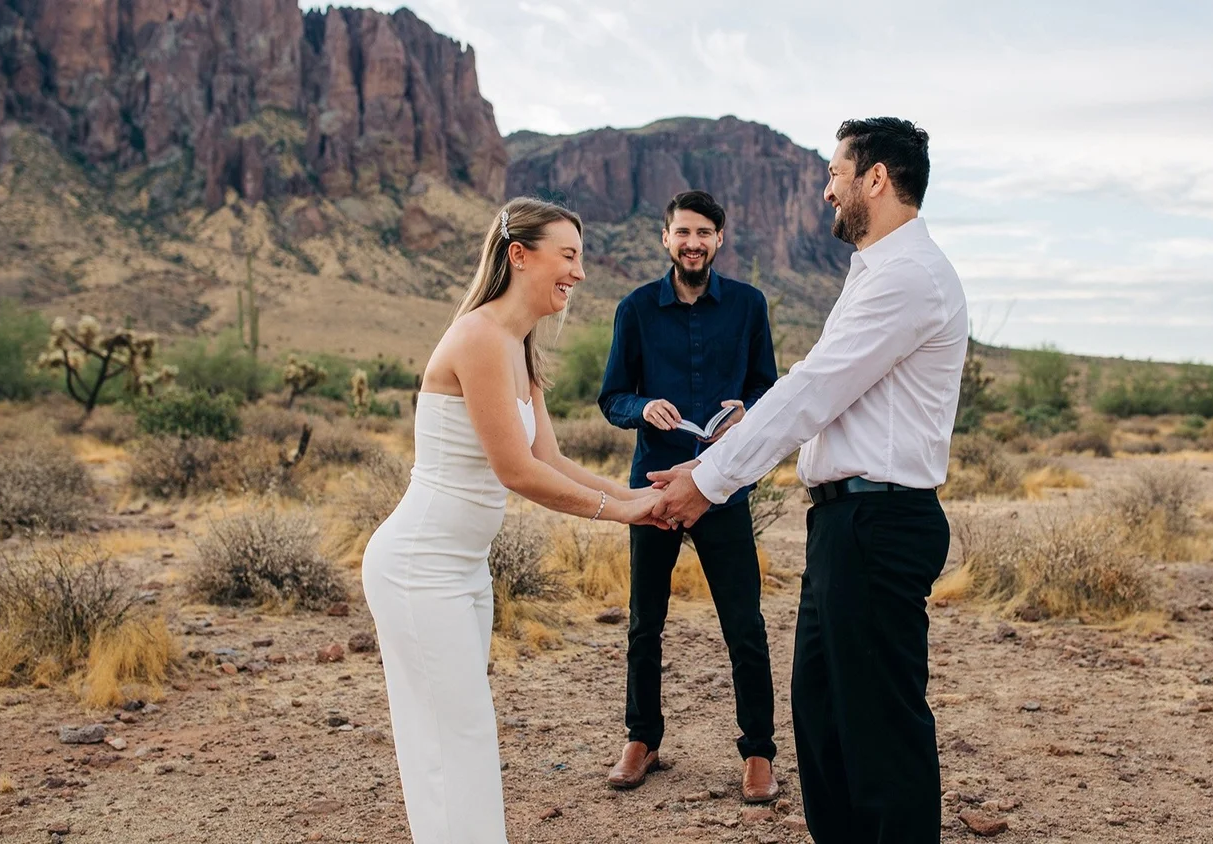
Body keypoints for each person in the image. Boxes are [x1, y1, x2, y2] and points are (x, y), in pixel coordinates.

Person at [649, 118, 968, 843]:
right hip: (843, 525)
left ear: (876, 178)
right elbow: (816, 392)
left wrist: (711, 483)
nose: (826, 189)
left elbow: (816, 387)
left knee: (881, 730)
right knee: (824, 721)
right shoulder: (877, 275)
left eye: (835, 173)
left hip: (879, 525)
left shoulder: (909, 278)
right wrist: (706, 462)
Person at [361, 197, 666, 844]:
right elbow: (518, 474)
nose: (579, 274)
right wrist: (626, 513)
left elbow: (550, 457)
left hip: (464, 568)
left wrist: (638, 499)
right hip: (419, 567)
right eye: (568, 256)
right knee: (452, 733)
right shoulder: (477, 337)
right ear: (518, 255)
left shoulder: (517, 346)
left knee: (462, 732)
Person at [597, 190, 781, 801]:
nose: (693, 243)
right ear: (665, 239)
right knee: (646, 622)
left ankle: (758, 751)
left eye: (704, 233)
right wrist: (641, 406)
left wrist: (744, 412)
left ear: (719, 239)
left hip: (722, 486)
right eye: (683, 233)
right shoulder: (635, 310)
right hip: (654, 486)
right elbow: (612, 397)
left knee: (744, 625)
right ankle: (641, 739)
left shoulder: (749, 307)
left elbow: (767, 387)